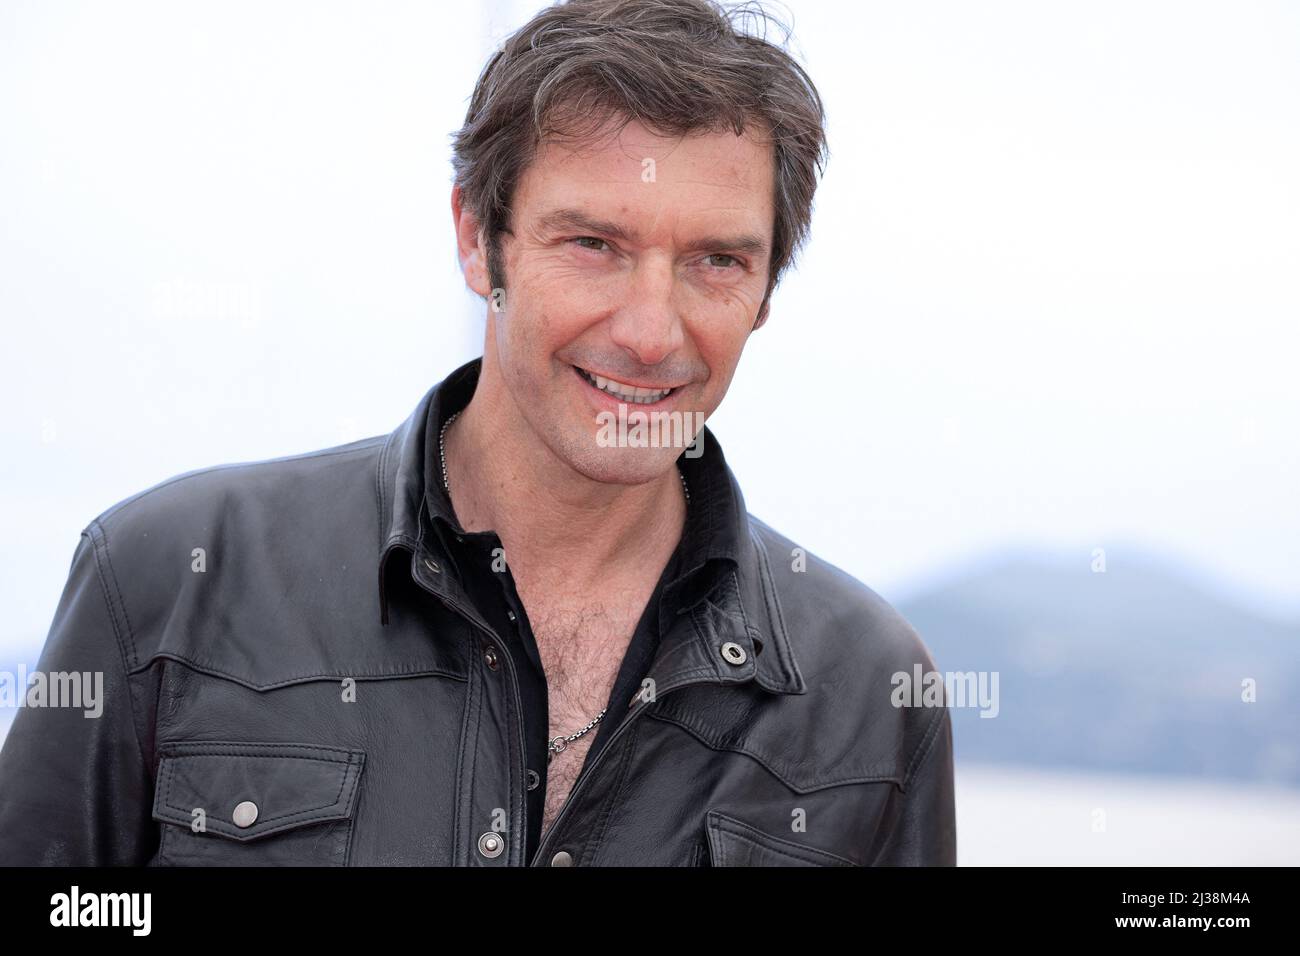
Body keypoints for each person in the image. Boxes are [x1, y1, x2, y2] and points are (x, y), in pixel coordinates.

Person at [0, 0, 955, 866]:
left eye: (716, 260)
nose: (651, 331)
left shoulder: (870, 697)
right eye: (593, 245)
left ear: (765, 292)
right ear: (474, 237)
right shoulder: (169, 577)